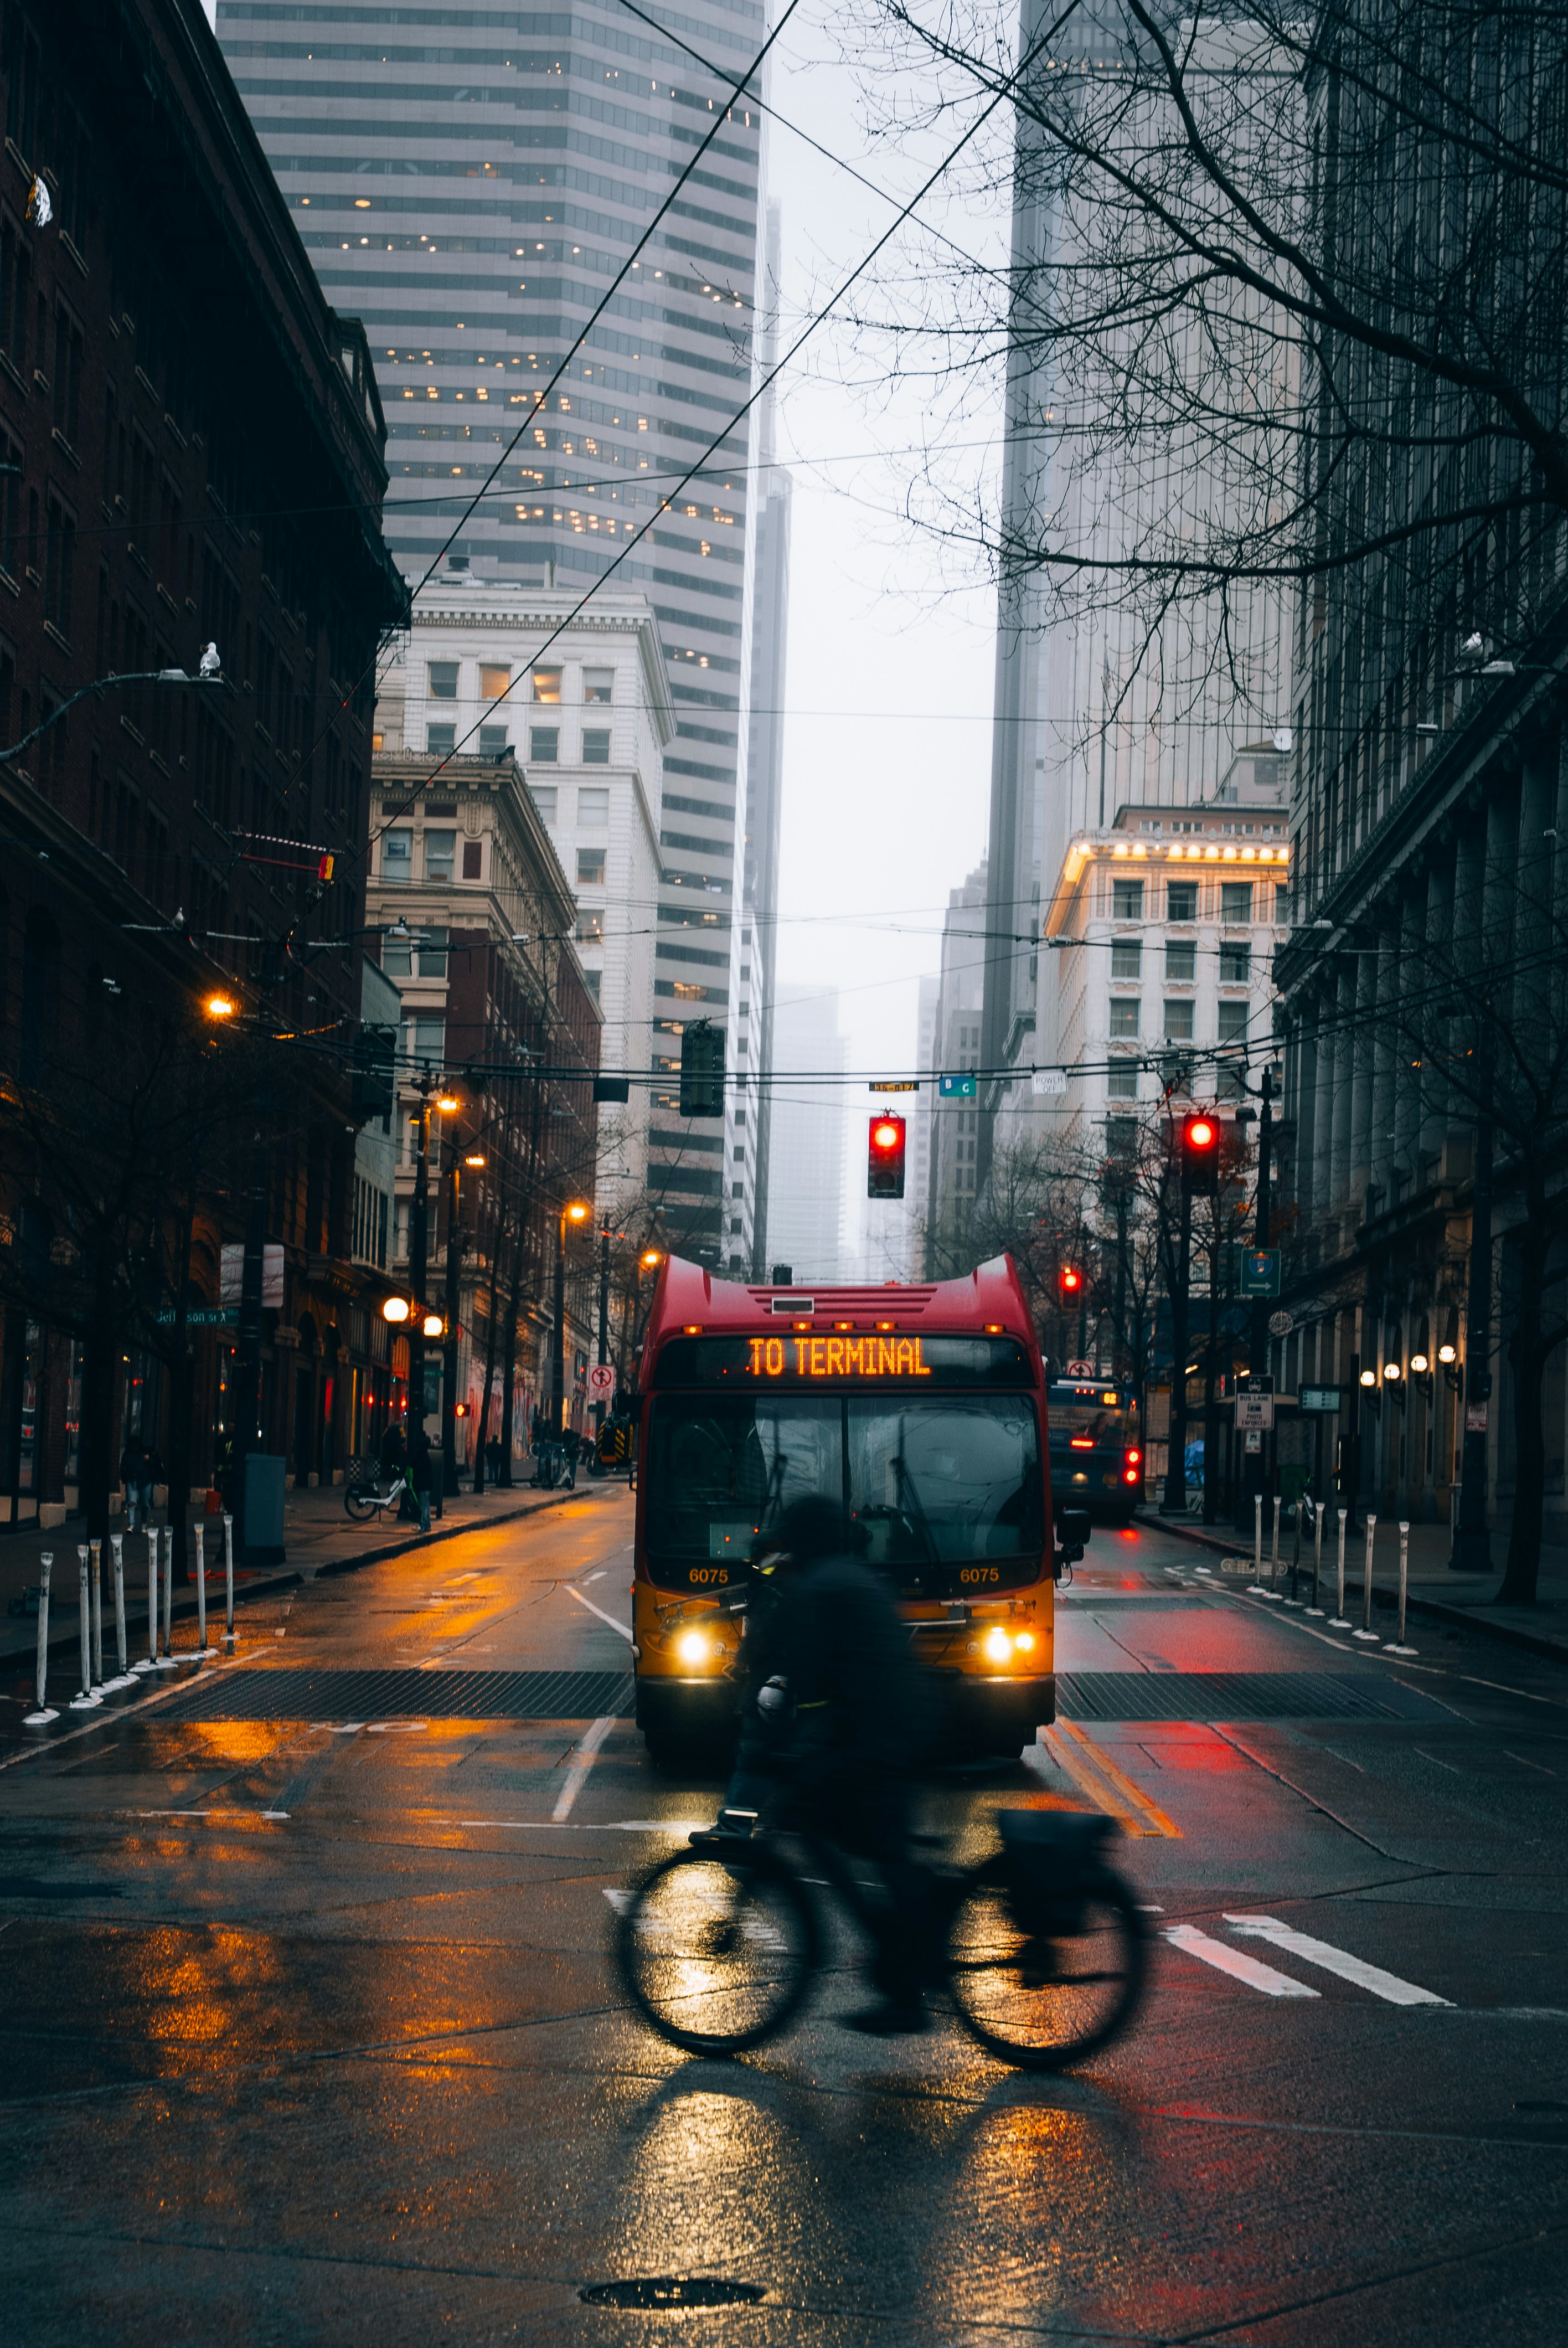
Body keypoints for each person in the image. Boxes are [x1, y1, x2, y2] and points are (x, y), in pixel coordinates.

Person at [703, 1493, 935, 2036]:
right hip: (896, 1722)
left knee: (834, 1822)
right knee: (865, 1834)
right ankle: (902, 1949)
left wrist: (767, 1737)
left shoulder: (821, 1587)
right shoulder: (846, 1575)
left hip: (886, 1733)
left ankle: (907, 1983)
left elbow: (798, 1678)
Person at [120, 1435, 155, 1533]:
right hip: (136, 1481)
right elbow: (123, 1468)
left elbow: (123, 1468)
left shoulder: (130, 1454)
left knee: (144, 1504)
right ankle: (132, 1525)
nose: (134, 1447)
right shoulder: (133, 1454)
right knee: (133, 1503)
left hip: (143, 1481)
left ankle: (140, 1524)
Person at [407, 1425, 434, 1535]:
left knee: (424, 1505)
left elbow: (416, 1467)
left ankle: (423, 1524)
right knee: (426, 1505)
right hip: (427, 1484)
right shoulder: (425, 1456)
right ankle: (426, 1524)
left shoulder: (421, 1456)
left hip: (423, 1485)